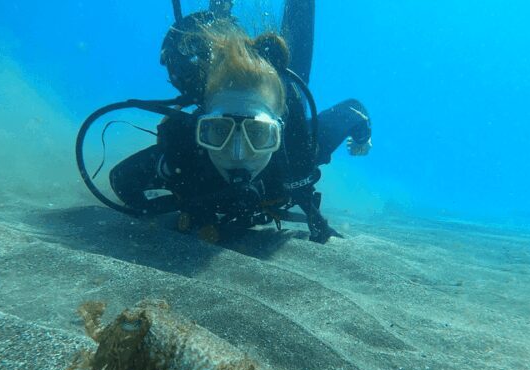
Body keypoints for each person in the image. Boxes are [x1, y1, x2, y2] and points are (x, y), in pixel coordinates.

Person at [108, 0, 372, 243]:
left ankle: (222, 16)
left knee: (294, 74)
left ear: (279, 131)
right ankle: (220, 17)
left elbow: (354, 112)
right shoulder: (184, 158)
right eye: (218, 131)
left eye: (258, 134)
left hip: (282, 94)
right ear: (201, 123)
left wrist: (363, 135)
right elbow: (122, 180)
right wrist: (182, 203)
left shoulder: (298, 149)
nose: (237, 154)